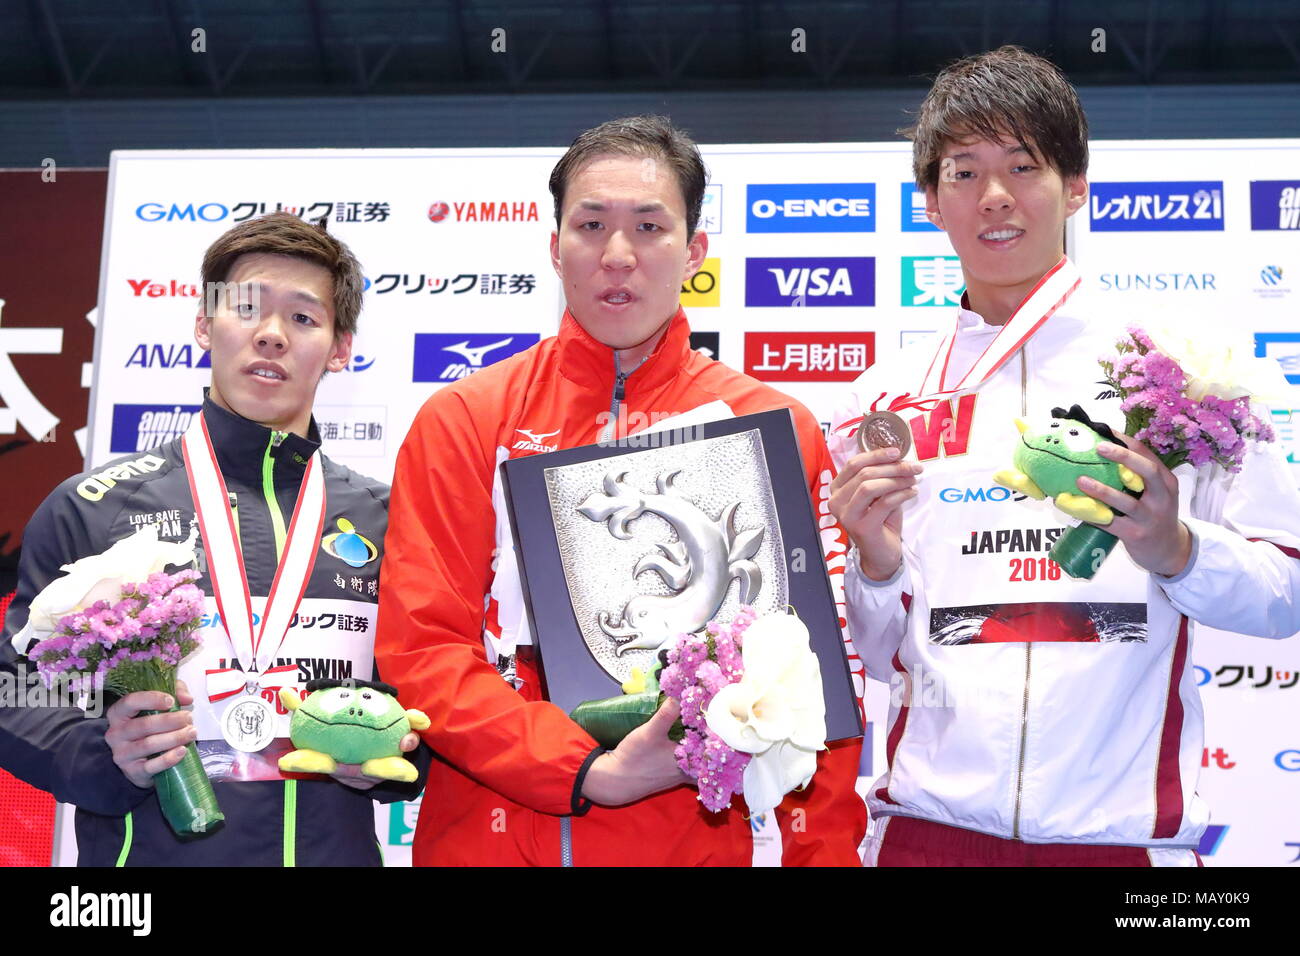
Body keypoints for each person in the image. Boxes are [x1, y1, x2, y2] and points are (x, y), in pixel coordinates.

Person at [828, 45, 1300, 867]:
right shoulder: (884, 403)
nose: (996, 197)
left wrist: (1177, 550)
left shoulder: (1178, 371)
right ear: (930, 201)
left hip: (1121, 842)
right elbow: (876, 651)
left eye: (1024, 165)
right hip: (927, 834)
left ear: (1076, 186)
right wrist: (873, 565)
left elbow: (1285, 592)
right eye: (964, 172)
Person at [376, 115, 867, 866]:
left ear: (695, 250)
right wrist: (582, 769)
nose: (617, 255)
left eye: (649, 226)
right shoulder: (466, 420)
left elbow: (814, 692)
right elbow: (425, 647)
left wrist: (821, 857)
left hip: (694, 844)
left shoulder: (772, 427)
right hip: (492, 838)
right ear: (553, 245)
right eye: (591, 224)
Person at [1, 212, 427, 866]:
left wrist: (403, 753)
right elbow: (16, 689)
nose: (271, 335)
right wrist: (97, 754)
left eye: (305, 319)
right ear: (203, 324)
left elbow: (433, 695)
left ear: (342, 348)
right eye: (247, 308)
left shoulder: (387, 520)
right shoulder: (94, 508)